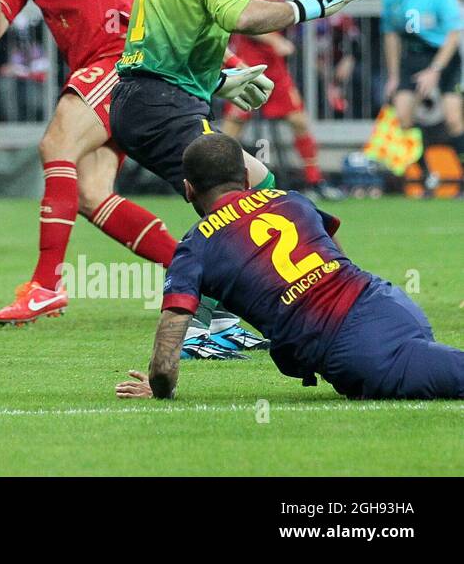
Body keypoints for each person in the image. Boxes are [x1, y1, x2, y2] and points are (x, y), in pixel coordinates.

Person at [109, 0, 373, 355]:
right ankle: (200, 325)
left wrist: (221, 80)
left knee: (257, 186)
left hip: (140, 99)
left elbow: (161, 41)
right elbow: (240, 16)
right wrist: (313, 5)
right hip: (164, 104)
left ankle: (222, 318)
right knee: (235, 203)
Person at [0, 0, 179, 325]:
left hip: (128, 64)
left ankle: (46, 286)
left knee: (55, 143)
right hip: (97, 81)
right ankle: (194, 269)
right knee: (88, 194)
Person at [116, 133, 464, 401]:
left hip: (357, 348)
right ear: (246, 179)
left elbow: (170, 340)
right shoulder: (290, 199)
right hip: (388, 303)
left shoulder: (195, 245)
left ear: (189, 190)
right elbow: (340, 258)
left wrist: (160, 387)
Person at [219, 0, 333, 195]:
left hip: (275, 67)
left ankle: (315, 181)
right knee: (234, 124)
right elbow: (243, 19)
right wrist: (275, 40)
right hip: (247, 64)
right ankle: (214, 180)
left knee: (298, 120)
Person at [381, 0, 463, 155]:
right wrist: (393, 75)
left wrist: (435, 70)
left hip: (443, 55)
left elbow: (454, 34)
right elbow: (391, 35)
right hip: (413, 55)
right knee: (403, 116)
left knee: (453, 118)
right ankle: (426, 177)